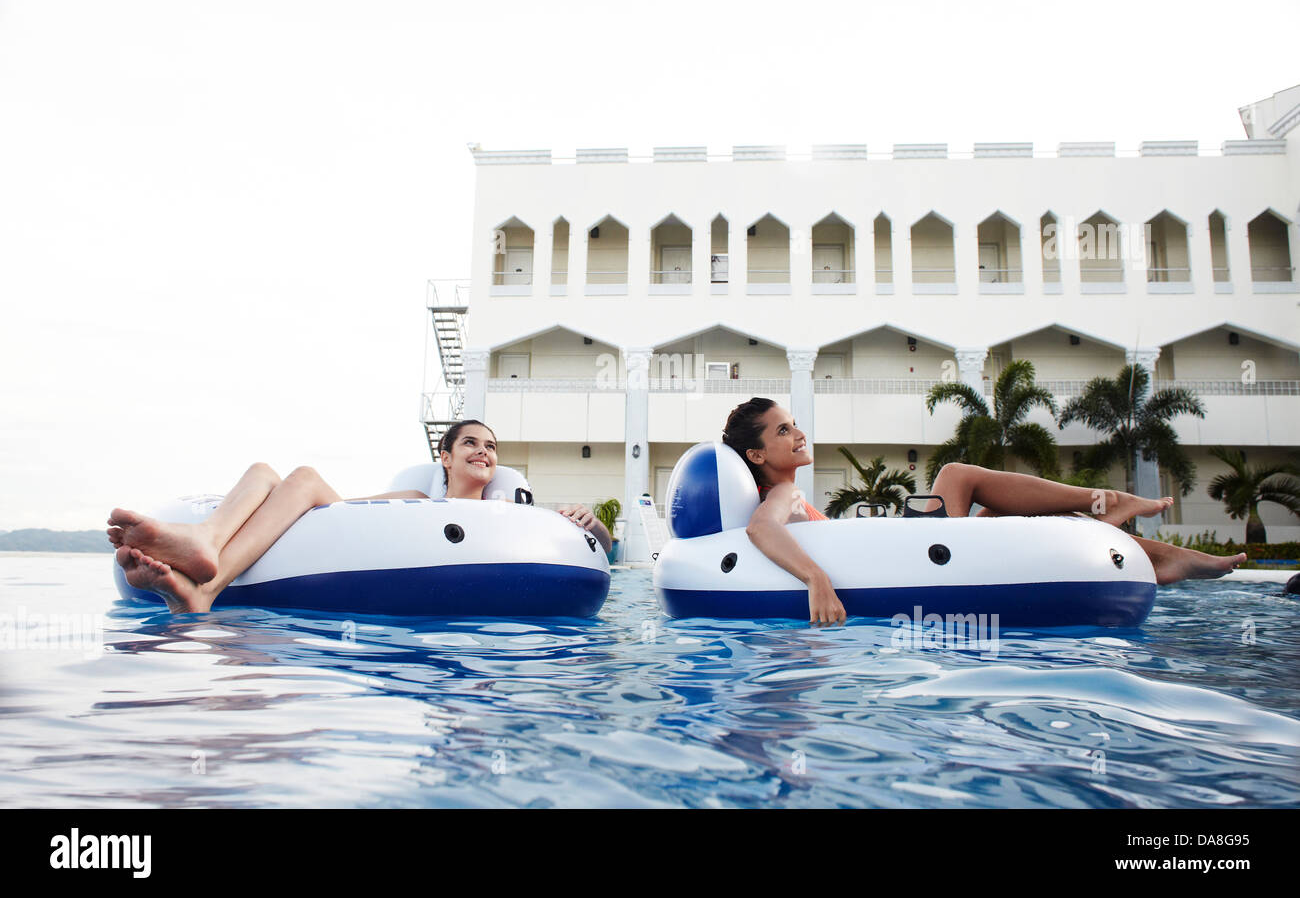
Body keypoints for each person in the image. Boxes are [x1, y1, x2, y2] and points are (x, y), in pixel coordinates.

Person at [722, 398, 1248, 627]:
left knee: (1005, 519)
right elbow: (759, 528)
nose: (798, 434)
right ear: (758, 455)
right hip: (906, 561)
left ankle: (1157, 556)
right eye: (783, 430)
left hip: (909, 554)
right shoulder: (782, 495)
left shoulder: (793, 493)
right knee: (956, 477)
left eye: (794, 424)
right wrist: (816, 579)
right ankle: (1108, 507)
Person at [108, 420, 612, 614]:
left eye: (491, 448)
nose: (484, 453)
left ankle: (206, 577)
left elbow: (602, 549)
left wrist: (592, 523)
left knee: (300, 476)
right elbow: (347, 516)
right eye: (471, 444)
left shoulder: (515, 520)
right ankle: (204, 543)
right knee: (268, 472)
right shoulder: (416, 495)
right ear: (446, 456)